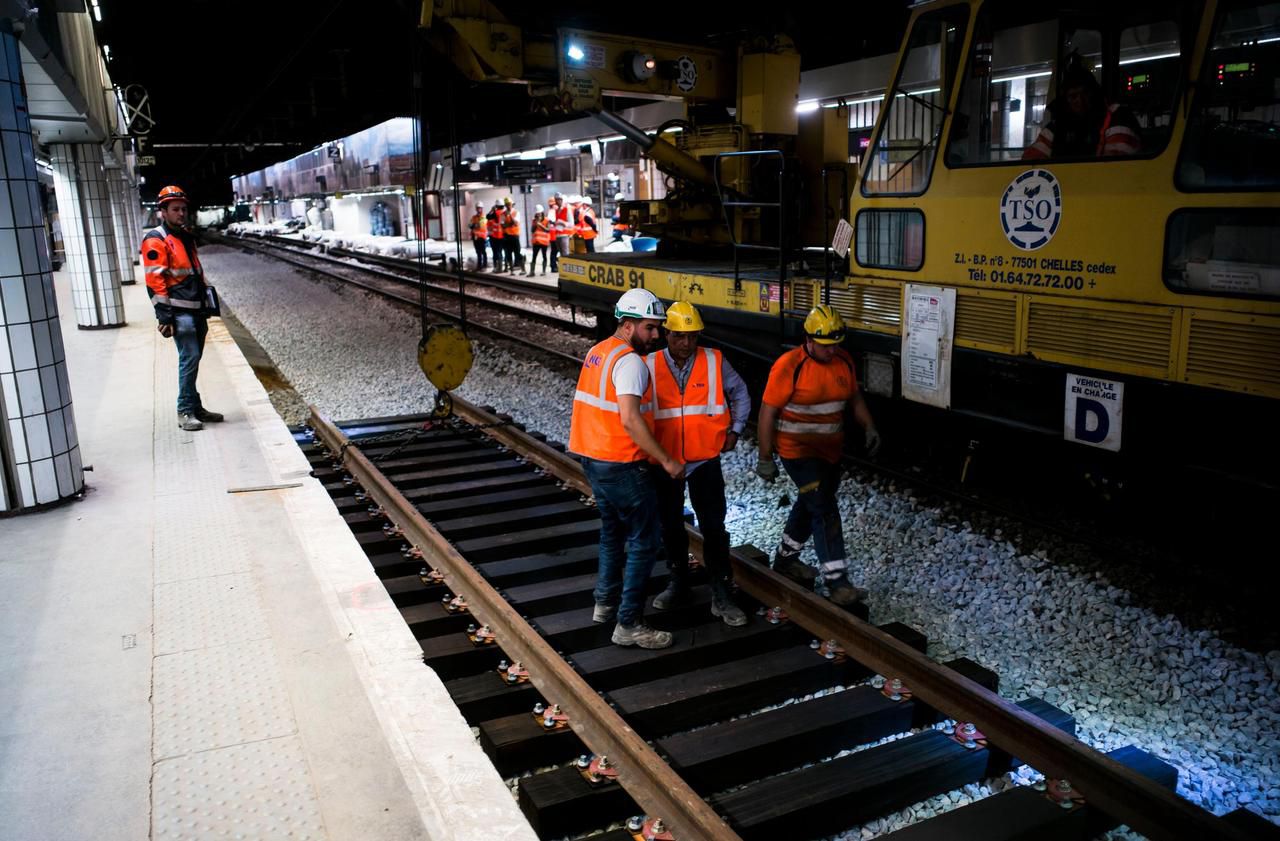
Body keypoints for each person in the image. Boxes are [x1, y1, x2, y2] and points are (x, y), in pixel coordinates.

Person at [568, 288, 683, 649]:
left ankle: (604, 604)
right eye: (651, 328)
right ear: (629, 324)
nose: (656, 336)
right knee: (644, 541)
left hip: (593, 460)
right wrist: (666, 459)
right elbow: (631, 421)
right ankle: (629, 623)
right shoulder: (631, 362)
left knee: (612, 532)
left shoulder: (598, 352)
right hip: (621, 463)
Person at [755, 305, 880, 607]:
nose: (832, 350)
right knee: (823, 508)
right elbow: (767, 413)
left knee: (809, 504)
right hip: (796, 451)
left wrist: (869, 426)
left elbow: (854, 398)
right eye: (825, 345)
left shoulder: (844, 361)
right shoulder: (789, 365)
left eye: (836, 343)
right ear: (808, 340)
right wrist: (765, 456)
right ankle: (838, 582)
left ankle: (785, 561)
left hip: (829, 453)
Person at [646, 302, 751, 626]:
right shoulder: (647, 364)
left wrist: (735, 430)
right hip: (665, 460)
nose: (687, 344)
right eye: (679, 336)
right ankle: (679, 581)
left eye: (692, 337)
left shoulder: (714, 360)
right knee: (669, 524)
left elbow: (741, 394)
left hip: (704, 458)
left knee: (713, 527)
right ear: (666, 334)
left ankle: (721, 592)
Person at [142, 185, 223, 432]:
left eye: (184, 209)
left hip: (196, 308)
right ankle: (185, 410)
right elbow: (154, 281)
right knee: (189, 358)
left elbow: (193, 271)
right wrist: (164, 316)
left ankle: (195, 406)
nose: (181, 213)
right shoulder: (156, 239)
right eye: (175, 209)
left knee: (194, 358)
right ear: (163, 211)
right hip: (180, 312)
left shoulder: (184, 235)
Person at [1024, 53, 1141, 160]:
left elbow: (1116, 163)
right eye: (1073, 96)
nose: (1080, 100)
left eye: (1085, 93)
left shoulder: (1117, 117)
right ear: (1066, 100)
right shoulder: (1058, 125)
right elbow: (1031, 160)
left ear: (1094, 92)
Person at [528, 205, 551, 275]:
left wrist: (541, 225)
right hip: (536, 242)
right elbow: (532, 230)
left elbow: (548, 230)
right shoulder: (534, 220)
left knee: (544, 256)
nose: (538, 214)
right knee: (534, 256)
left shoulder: (547, 220)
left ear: (542, 212)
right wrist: (535, 224)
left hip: (544, 242)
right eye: (537, 213)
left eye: (539, 213)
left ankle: (543, 271)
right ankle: (532, 271)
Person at [551, 192, 572, 267]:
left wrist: (561, 222)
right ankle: (564, 269)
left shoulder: (567, 209)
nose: (557, 201)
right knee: (561, 254)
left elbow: (571, 224)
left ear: (561, 200)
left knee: (565, 253)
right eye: (556, 200)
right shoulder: (556, 210)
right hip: (558, 235)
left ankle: (567, 269)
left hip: (564, 235)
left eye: (558, 200)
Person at [502, 196, 522, 273]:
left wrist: (510, 216)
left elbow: (516, 223)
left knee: (517, 251)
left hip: (515, 235)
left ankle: (519, 265)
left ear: (512, 204)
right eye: (507, 204)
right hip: (507, 236)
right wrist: (510, 223)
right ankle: (511, 268)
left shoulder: (516, 212)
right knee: (508, 252)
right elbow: (502, 225)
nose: (508, 206)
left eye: (509, 204)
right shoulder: (503, 214)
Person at [486, 201, 505, 271]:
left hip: (496, 236)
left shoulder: (495, 213)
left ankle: (497, 267)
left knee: (496, 252)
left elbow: (487, 216)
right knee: (501, 252)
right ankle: (502, 267)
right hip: (503, 236)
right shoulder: (505, 213)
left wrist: (492, 210)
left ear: (496, 206)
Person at [469, 202, 488, 270]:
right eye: (477, 208)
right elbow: (469, 225)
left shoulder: (484, 217)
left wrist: (474, 225)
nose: (478, 209)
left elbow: (479, 225)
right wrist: (474, 225)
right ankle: (479, 265)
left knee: (483, 251)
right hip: (475, 237)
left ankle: (485, 265)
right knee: (478, 252)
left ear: (482, 208)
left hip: (482, 237)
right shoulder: (474, 217)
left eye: (479, 208)